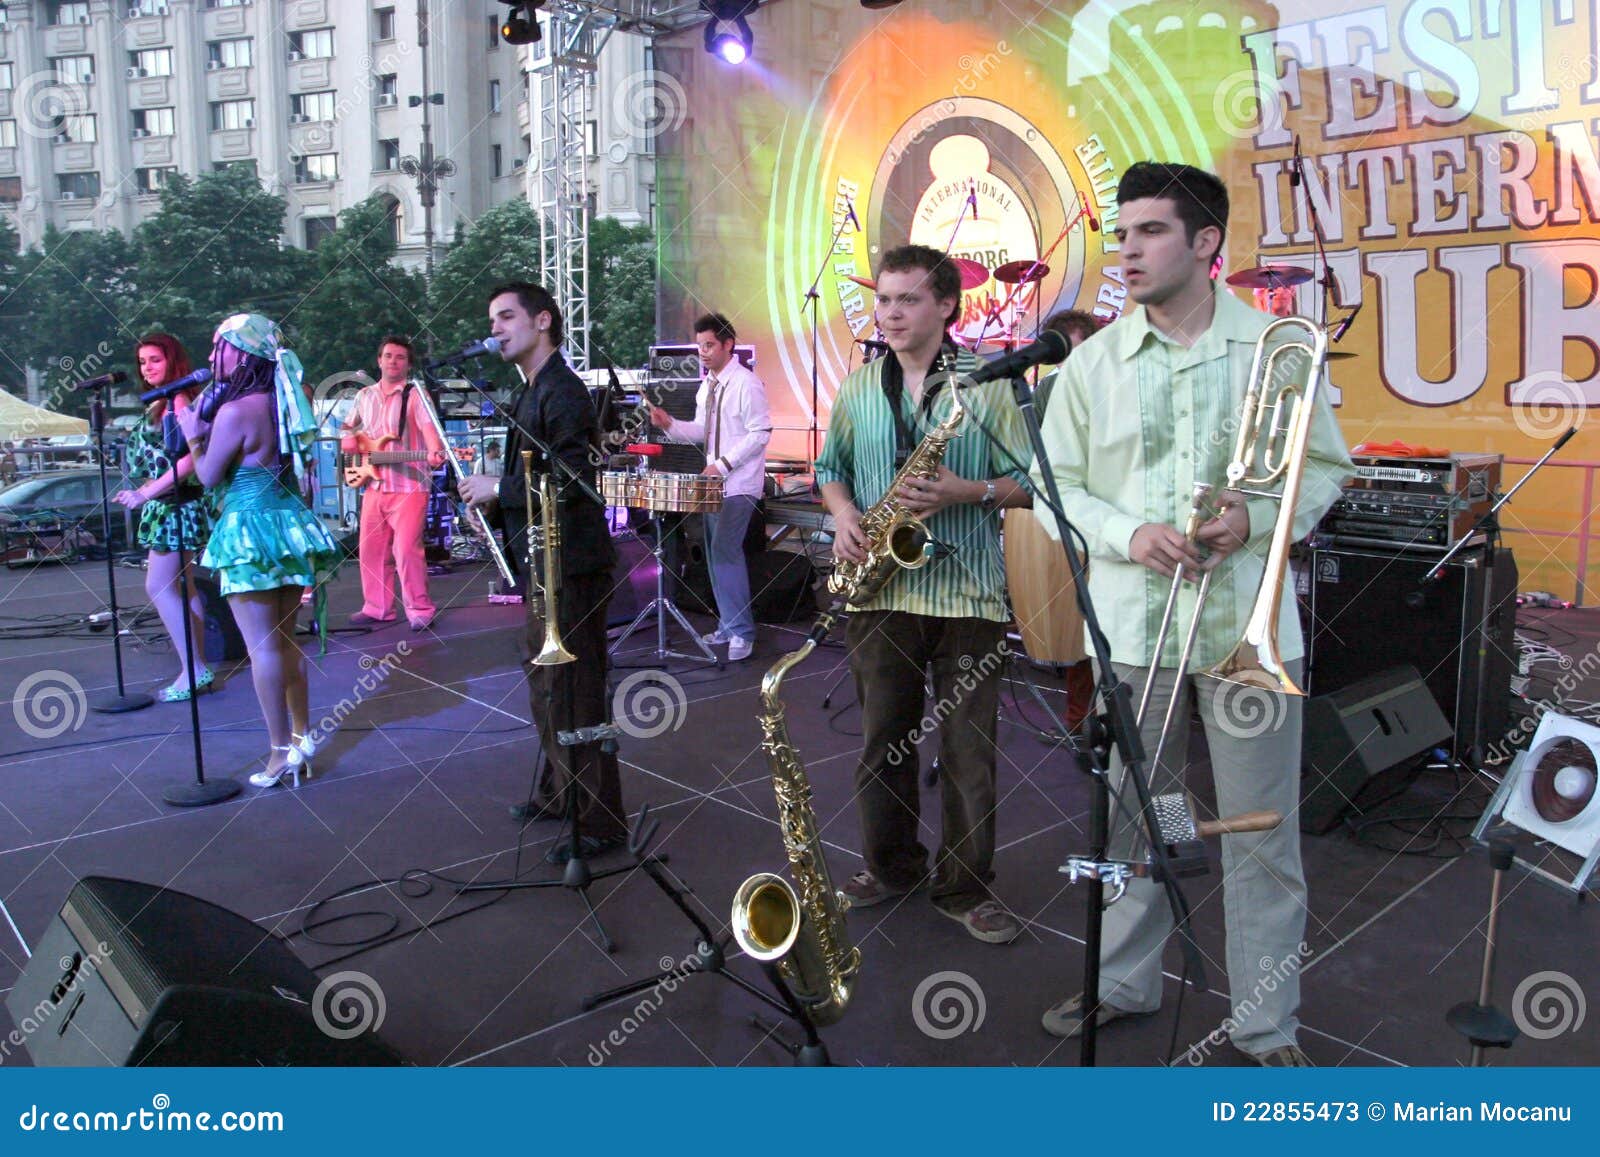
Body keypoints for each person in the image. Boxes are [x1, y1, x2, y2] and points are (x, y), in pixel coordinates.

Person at [1031, 161, 1352, 1065]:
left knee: (1263, 833)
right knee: (1142, 818)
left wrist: (1255, 518)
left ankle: (1264, 1021)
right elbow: (1056, 489)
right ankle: (1126, 982)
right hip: (1137, 632)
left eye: (1150, 232)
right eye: (1121, 234)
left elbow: (1324, 468)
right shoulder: (1091, 363)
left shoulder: (1276, 346)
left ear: (1206, 243)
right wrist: (1129, 533)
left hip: (1246, 632)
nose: (1127, 250)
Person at [815, 243, 1034, 945]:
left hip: (968, 595)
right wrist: (846, 515)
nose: (891, 313)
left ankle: (965, 885)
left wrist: (966, 491)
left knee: (970, 750)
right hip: (882, 593)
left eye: (908, 299)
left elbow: (1034, 482)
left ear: (946, 305)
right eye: (884, 300)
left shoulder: (989, 383)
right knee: (882, 743)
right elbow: (830, 469)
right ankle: (890, 866)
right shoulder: (857, 388)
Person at [458, 283, 628, 862]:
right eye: (493, 319)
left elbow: (575, 481)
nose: (496, 328)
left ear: (543, 321)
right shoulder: (532, 389)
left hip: (573, 568)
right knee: (547, 688)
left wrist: (498, 489)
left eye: (507, 317)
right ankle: (561, 794)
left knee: (576, 694)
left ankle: (601, 822)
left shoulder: (564, 392)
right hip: (546, 564)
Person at [176, 314, 341, 789]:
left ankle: (277, 754)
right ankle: (302, 737)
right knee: (287, 644)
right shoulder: (287, 399)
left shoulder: (236, 410)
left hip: (248, 529)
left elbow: (206, 476)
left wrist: (191, 430)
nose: (210, 357)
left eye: (218, 347)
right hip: (288, 525)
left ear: (242, 352)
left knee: (262, 650)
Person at [648, 312, 771, 661]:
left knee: (725, 552)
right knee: (718, 555)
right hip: (716, 485)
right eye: (700, 345)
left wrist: (722, 465)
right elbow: (703, 431)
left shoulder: (746, 384)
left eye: (709, 345)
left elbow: (760, 434)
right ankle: (730, 625)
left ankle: (742, 632)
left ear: (728, 344)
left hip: (740, 483)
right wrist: (670, 424)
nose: (703, 352)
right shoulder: (708, 386)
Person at [113, 333, 218, 702]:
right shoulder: (161, 401)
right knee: (183, 586)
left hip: (175, 506)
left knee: (158, 586)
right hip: (170, 505)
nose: (147, 368)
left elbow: (191, 458)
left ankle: (194, 669)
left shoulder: (178, 399)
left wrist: (145, 492)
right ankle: (198, 667)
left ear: (172, 360)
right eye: (143, 362)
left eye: (155, 360)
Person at [339, 336, 447, 632]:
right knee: (371, 549)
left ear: (408, 364)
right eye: (388, 356)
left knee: (406, 549)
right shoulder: (365, 396)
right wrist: (348, 440)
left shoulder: (415, 394)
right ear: (379, 360)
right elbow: (348, 428)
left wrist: (435, 450)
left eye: (400, 357)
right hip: (374, 485)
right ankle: (377, 608)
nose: (393, 361)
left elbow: (428, 427)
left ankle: (420, 609)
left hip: (409, 486)